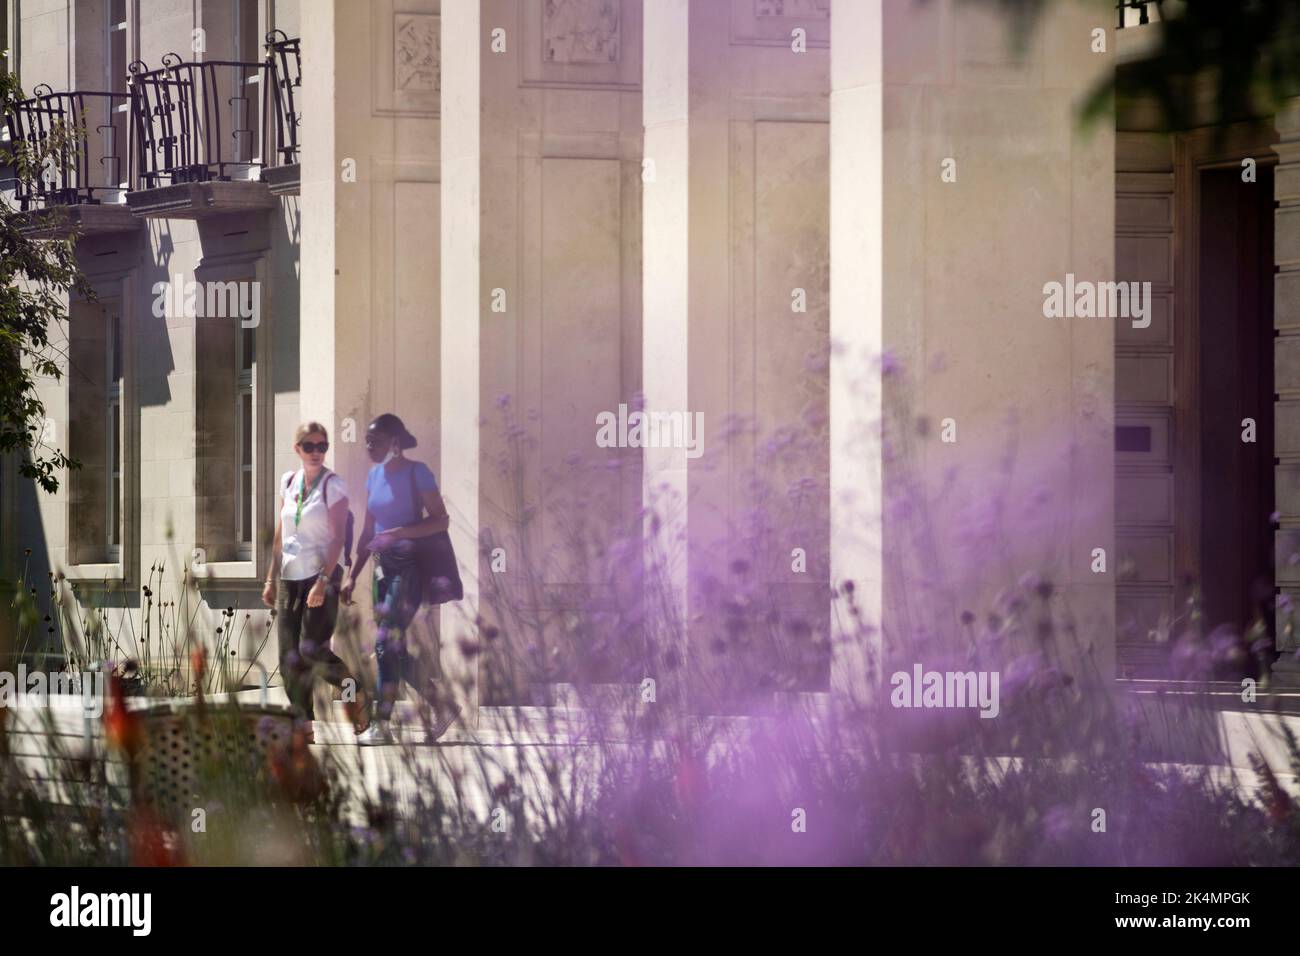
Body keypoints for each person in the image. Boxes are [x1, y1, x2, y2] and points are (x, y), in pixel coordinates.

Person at [341, 413, 461, 745]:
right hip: (382, 568)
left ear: (395, 442)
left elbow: (441, 521)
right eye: (367, 440)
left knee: (383, 643)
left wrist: (398, 533)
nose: (369, 445)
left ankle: (382, 724)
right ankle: (441, 704)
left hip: (409, 567)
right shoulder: (373, 477)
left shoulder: (416, 473)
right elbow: (367, 530)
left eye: (375, 440)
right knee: (391, 647)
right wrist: (352, 575)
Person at [263, 422, 370, 740]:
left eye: (321, 446)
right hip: (289, 577)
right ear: (297, 449)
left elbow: (337, 537)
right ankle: (302, 723)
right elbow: (281, 533)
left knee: (312, 651)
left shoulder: (333, 485)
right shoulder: (289, 481)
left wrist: (323, 581)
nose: (316, 452)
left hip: (321, 575)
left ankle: (356, 696)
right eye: (309, 446)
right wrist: (271, 577)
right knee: (288, 658)